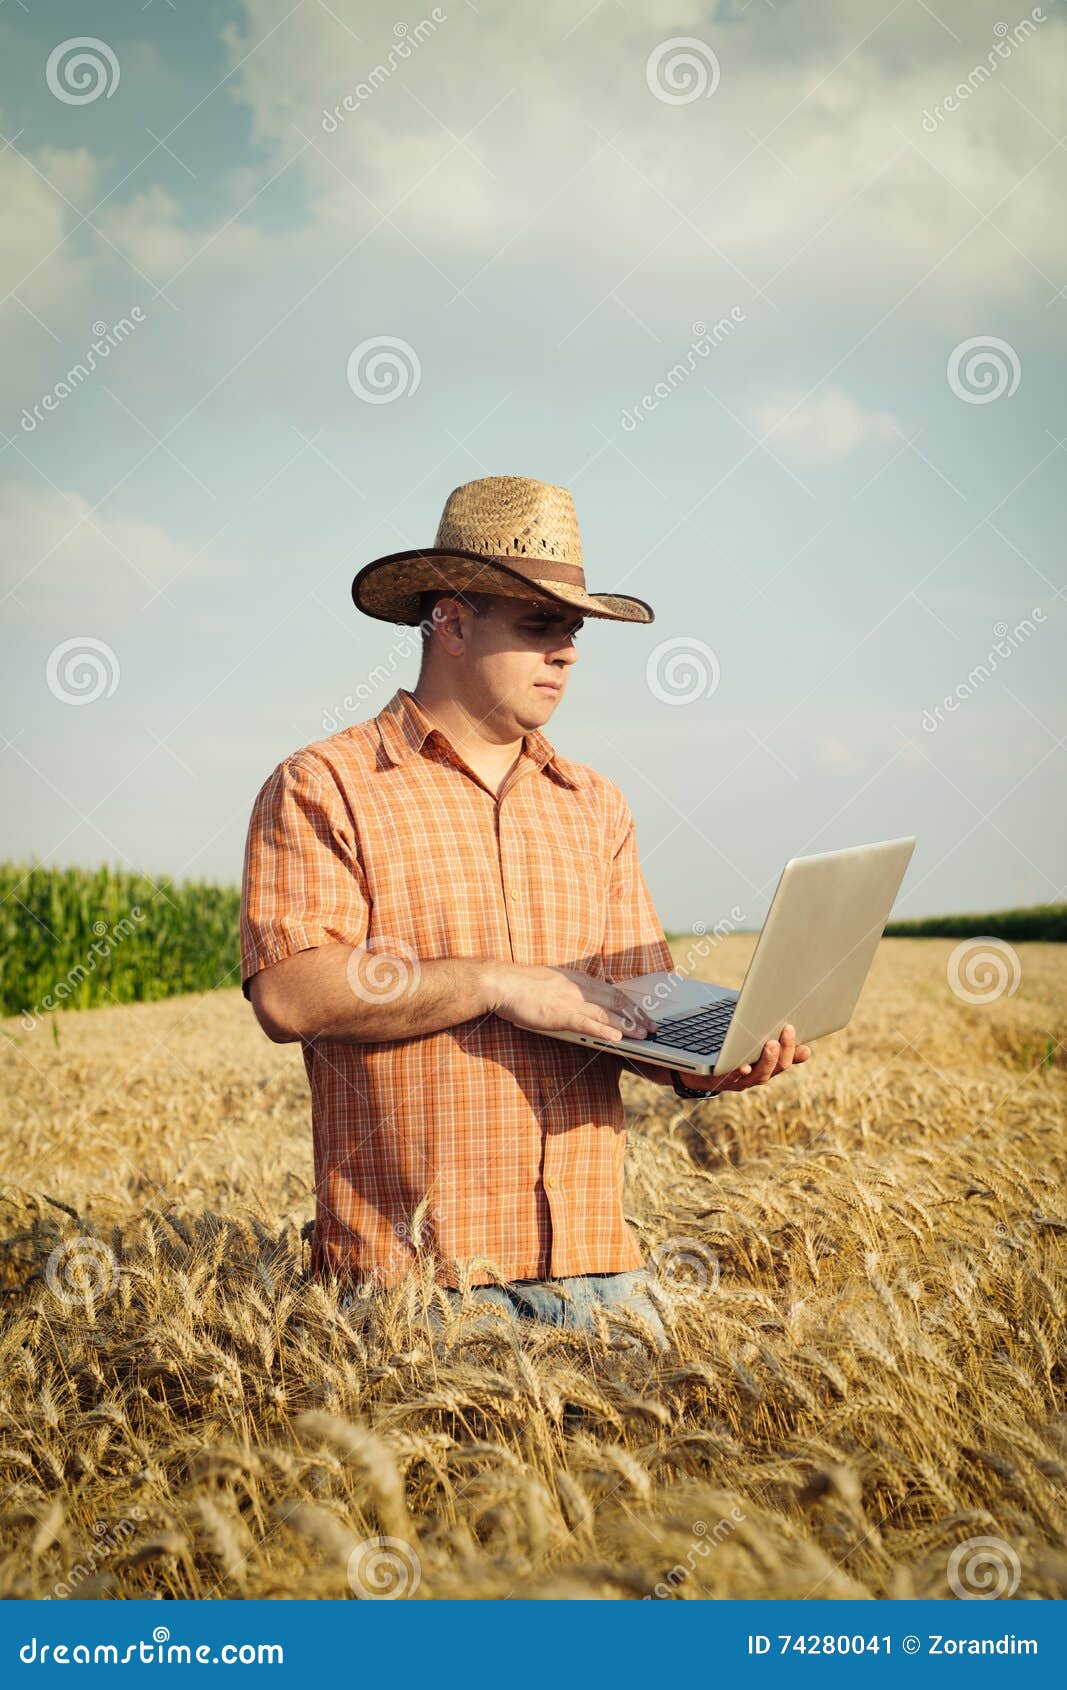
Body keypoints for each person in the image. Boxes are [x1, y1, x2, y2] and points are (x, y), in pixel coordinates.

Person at [239, 475, 810, 1349]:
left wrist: (708, 1061)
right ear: (453, 622)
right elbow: (290, 993)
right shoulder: (326, 785)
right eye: (540, 627)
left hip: (598, 1273)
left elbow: (636, 1004)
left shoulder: (595, 804)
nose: (567, 653)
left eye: (573, 633)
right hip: (413, 1286)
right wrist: (497, 983)